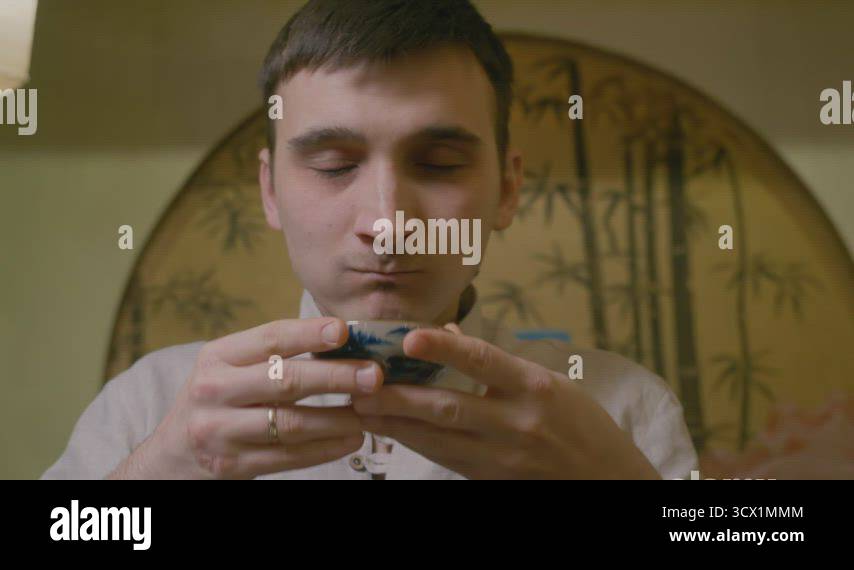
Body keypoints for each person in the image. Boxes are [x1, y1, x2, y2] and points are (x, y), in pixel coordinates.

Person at [41, 0, 697, 480]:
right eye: (333, 165)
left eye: (438, 164)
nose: (387, 221)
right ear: (270, 191)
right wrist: (155, 477)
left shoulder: (624, 408)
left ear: (506, 189)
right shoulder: (151, 405)